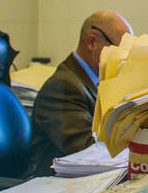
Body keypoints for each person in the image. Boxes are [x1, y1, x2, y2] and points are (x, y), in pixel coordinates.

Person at [29, 10, 132, 175]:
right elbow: (87, 151)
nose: (124, 60)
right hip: (58, 187)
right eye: (120, 51)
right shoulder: (62, 88)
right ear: (92, 42)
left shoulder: (95, 81)